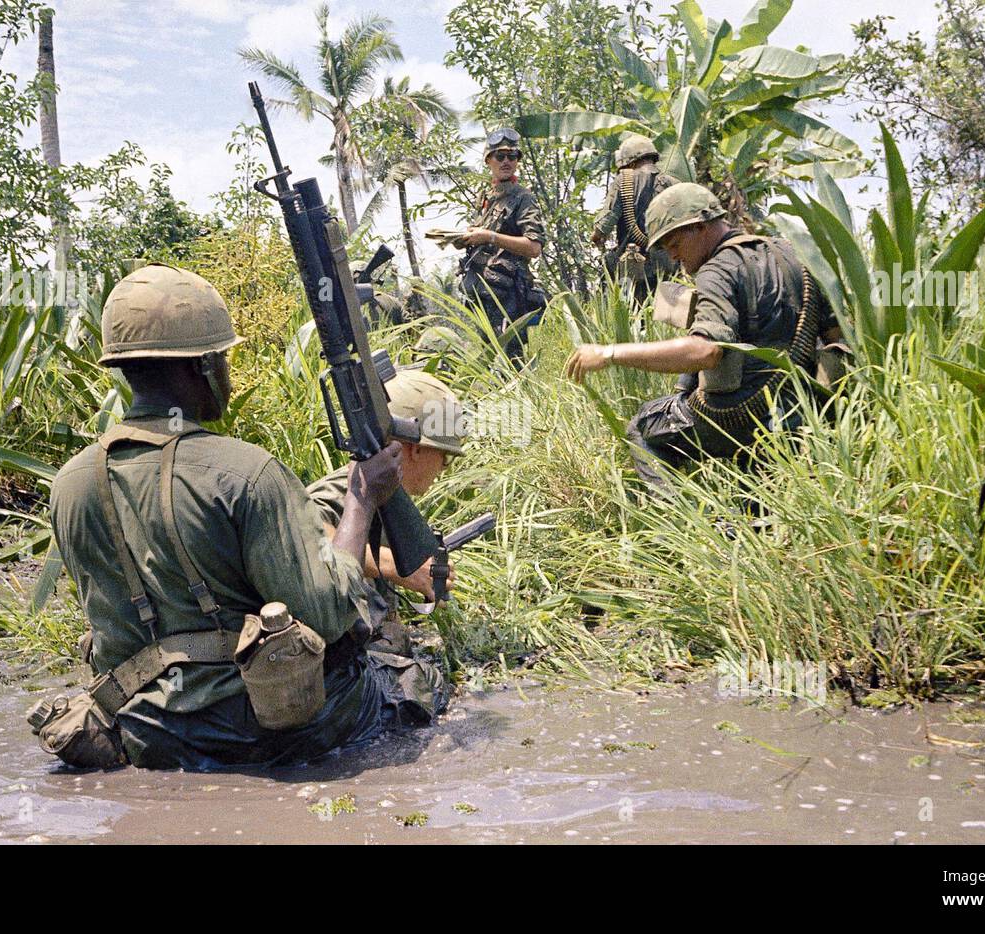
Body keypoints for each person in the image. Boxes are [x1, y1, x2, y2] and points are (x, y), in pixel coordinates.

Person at [48, 263, 447, 770]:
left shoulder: (71, 482)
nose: (227, 376)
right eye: (222, 361)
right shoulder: (247, 473)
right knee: (415, 679)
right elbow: (328, 614)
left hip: (150, 734)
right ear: (202, 367)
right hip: (271, 735)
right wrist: (362, 499)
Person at [565, 183, 843, 488]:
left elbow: (706, 351)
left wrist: (610, 353)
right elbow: (835, 335)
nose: (673, 257)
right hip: (800, 410)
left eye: (674, 244)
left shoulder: (718, 269)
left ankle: (675, 525)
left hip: (739, 414)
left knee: (644, 426)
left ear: (699, 227)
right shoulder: (792, 253)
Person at [306, 368, 468, 656]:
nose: (445, 468)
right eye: (445, 457)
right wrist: (398, 568)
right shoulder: (351, 488)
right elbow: (309, 535)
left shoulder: (390, 498)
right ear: (415, 450)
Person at [457, 127, 546, 366]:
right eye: (500, 156)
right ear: (488, 160)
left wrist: (489, 236)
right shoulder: (486, 197)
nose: (506, 161)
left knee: (510, 364)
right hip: (484, 294)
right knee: (488, 362)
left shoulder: (522, 198)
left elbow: (534, 247)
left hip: (510, 297)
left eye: (512, 156)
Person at [591, 134, 679, 302]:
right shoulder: (672, 183)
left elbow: (603, 227)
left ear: (630, 163)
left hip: (632, 267)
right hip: (667, 265)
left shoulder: (623, 181)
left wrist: (595, 237)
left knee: (628, 315)